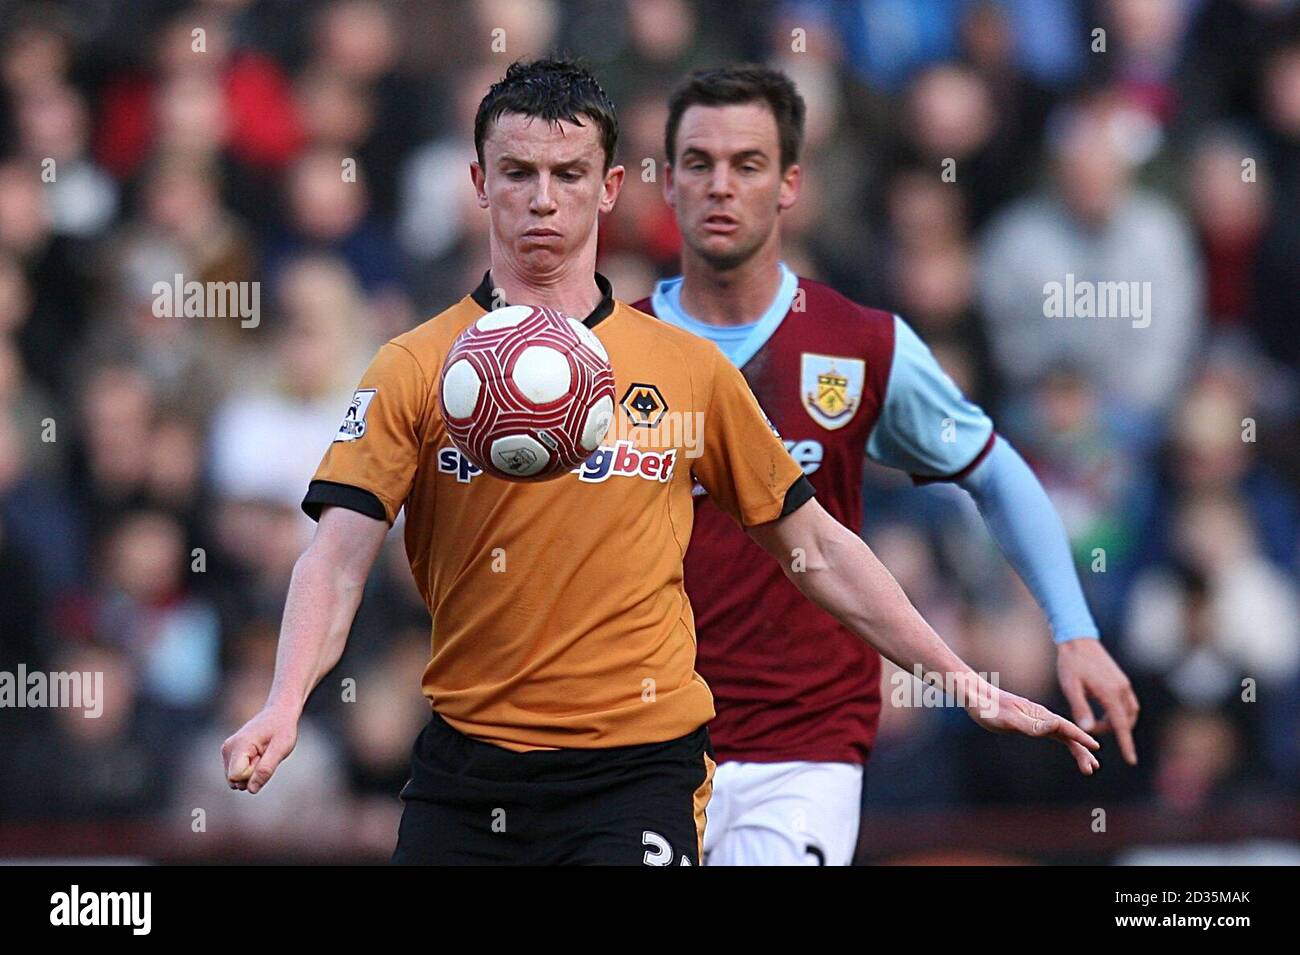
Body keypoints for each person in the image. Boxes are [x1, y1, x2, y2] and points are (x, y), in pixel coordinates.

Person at [222, 58, 1099, 866]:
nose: (542, 200)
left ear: (608, 190)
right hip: (467, 768)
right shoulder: (414, 365)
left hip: (635, 770)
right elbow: (336, 560)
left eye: (568, 177)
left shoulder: (686, 368)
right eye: (518, 174)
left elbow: (815, 548)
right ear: (480, 183)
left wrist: (957, 679)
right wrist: (286, 698)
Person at [632, 65, 1136, 866]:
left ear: (792, 182)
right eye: (698, 162)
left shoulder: (858, 344)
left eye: (748, 163)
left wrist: (1073, 631)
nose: (720, 185)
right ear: (666, 180)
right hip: (642, 738)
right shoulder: (611, 354)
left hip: (803, 740)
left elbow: (995, 471)